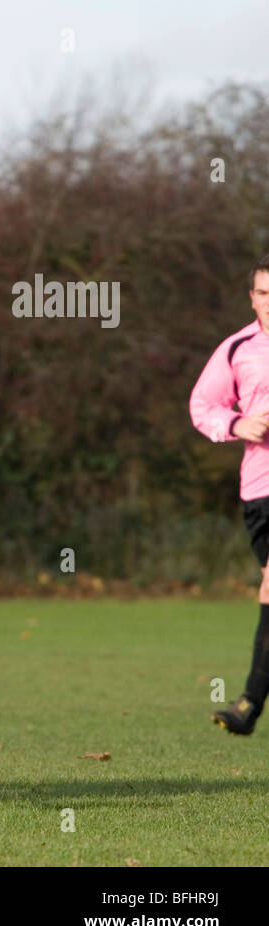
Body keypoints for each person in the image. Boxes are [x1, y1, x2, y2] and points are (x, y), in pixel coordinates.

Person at [193, 253, 269, 735]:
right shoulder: (237, 348)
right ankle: (249, 701)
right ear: (252, 297)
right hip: (262, 488)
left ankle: (248, 703)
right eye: (264, 293)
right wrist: (238, 422)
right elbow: (202, 404)